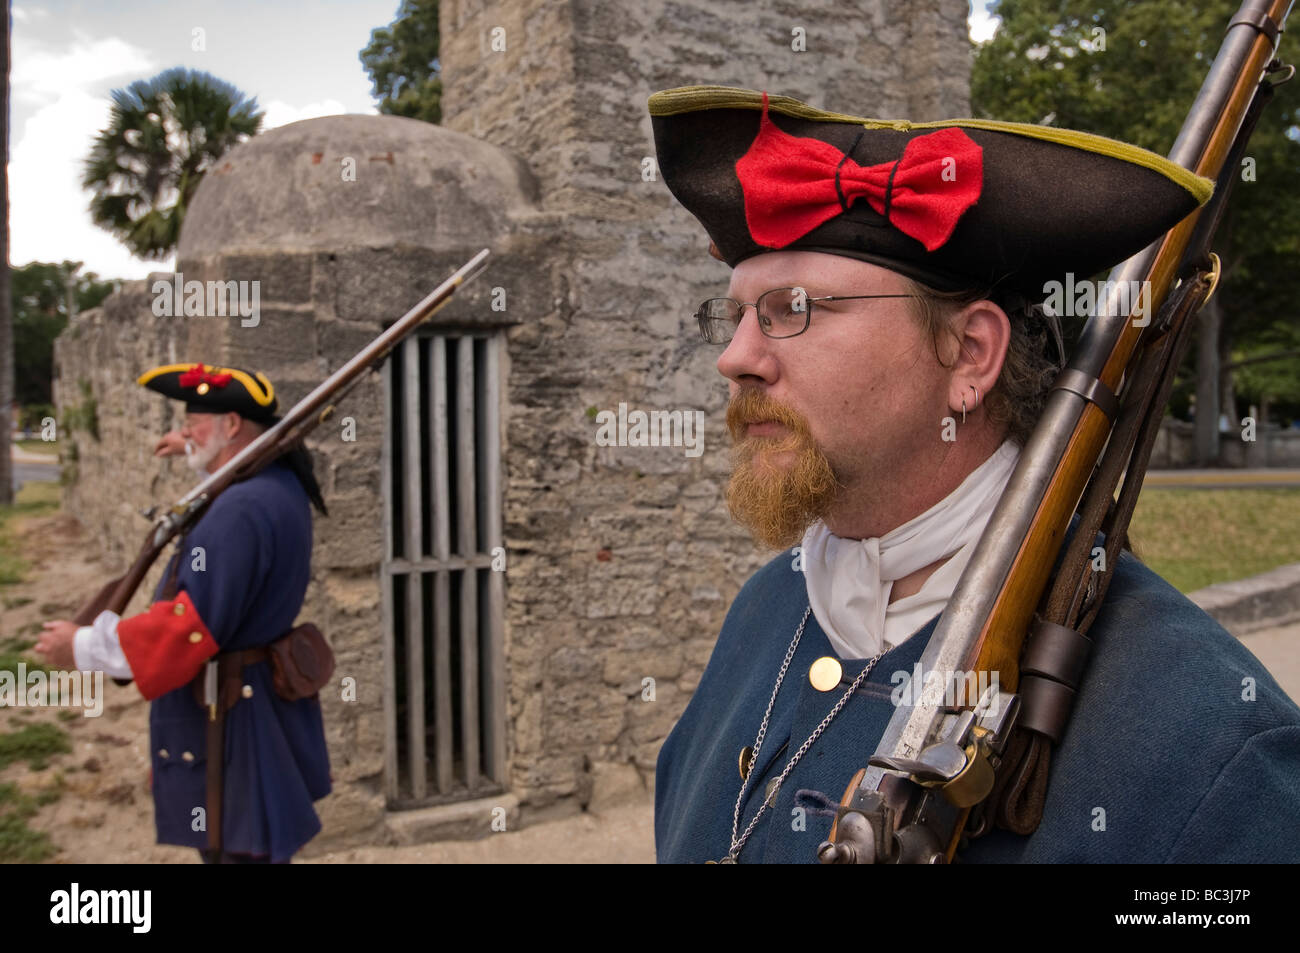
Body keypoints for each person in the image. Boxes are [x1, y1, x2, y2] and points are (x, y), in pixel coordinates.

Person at [647, 86, 1300, 863]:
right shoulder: (764, 611)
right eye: (736, 317)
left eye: (792, 308)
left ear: (971, 356)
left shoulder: (1217, 751)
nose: (736, 359)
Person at [36, 362, 331, 863]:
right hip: (251, 706)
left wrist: (81, 646)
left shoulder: (242, 508)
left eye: (193, 422)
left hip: (232, 718)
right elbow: (226, 479)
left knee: (236, 853)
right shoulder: (274, 485)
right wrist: (198, 449)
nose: (180, 432)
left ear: (232, 426)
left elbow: (188, 629)